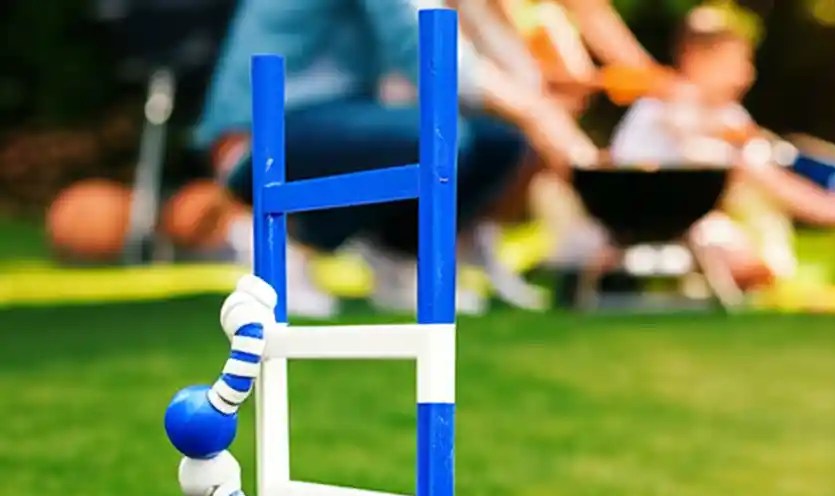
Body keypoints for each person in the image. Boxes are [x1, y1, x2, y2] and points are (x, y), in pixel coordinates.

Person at [196, 0, 599, 317]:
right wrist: (537, 112)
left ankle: (398, 256)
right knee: (443, 138)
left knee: (498, 142)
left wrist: (537, 107)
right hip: (255, 139)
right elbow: (421, 46)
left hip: (326, 116)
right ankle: (290, 246)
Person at [609, 5, 797, 290]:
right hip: (642, 212)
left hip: (700, 220)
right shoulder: (659, 105)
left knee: (757, 261)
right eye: (735, 62)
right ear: (694, 58)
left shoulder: (731, 115)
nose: (747, 74)